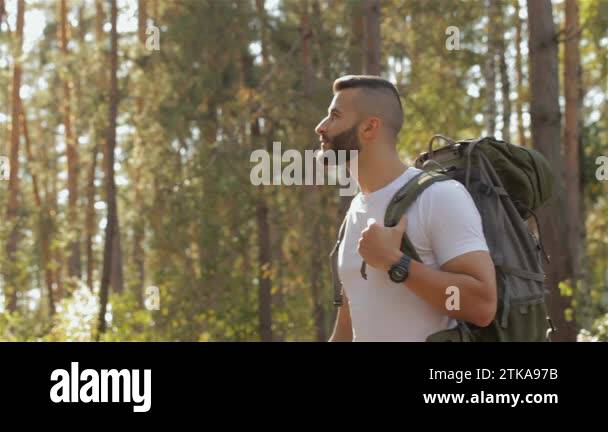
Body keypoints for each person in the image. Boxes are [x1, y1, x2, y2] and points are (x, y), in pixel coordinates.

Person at [314, 75, 497, 342]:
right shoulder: (356, 209)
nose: (321, 127)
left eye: (334, 116)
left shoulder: (439, 196)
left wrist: (395, 263)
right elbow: (348, 325)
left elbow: (482, 306)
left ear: (369, 127)